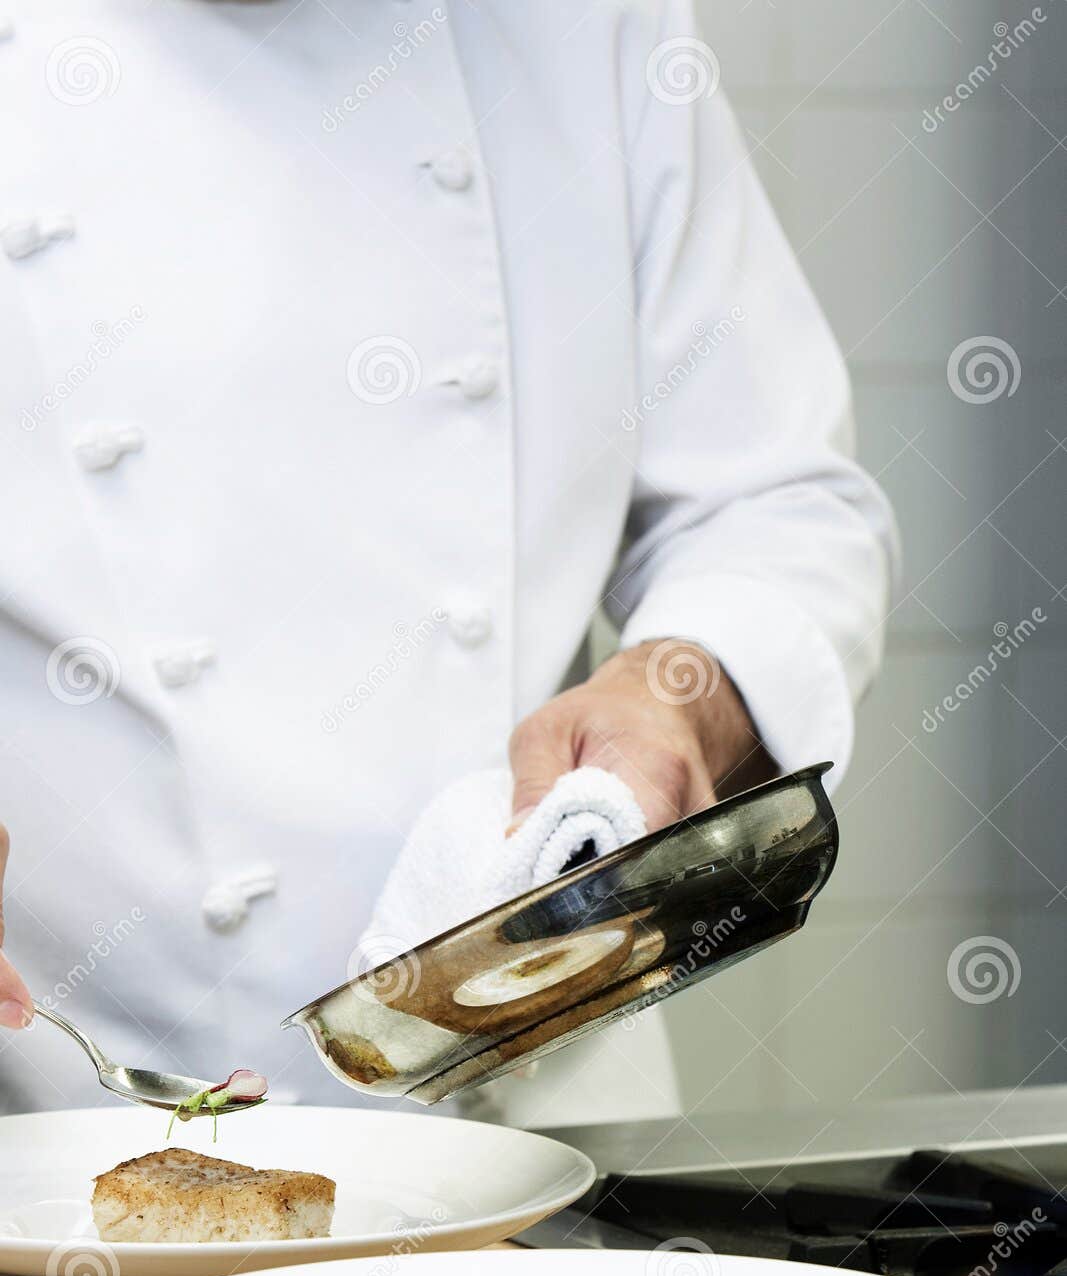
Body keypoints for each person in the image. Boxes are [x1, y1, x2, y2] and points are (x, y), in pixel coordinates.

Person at [0, 0, 895, 1123]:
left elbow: (772, 497)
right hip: (55, 1122)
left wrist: (675, 693)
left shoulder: (587, 25)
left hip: (534, 1098)